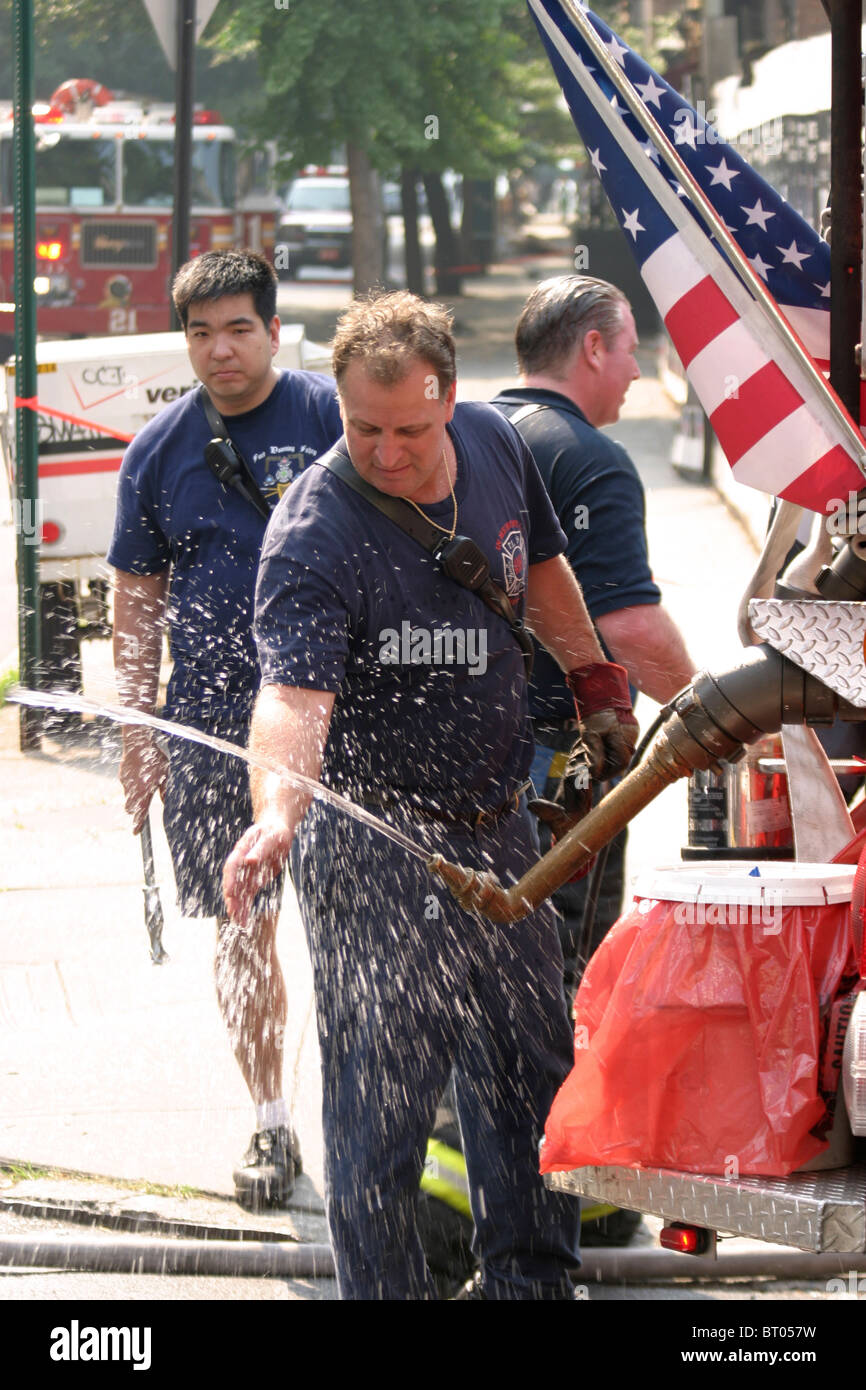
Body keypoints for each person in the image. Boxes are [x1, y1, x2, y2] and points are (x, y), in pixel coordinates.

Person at [223, 290, 640, 1300]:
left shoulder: (497, 444)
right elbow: (291, 699)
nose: (388, 450)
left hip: (498, 828)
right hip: (376, 844)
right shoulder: (314, 527)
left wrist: (590, 677)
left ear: (448, 397)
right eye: (364, 428)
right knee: (380, 1111)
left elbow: (538, 567)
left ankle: (531, 1286)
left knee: (528, 1077)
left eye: (410, 427)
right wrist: (275, 814)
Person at [107, 249, 342, 1209]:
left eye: (238, 328)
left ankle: (384, 1121)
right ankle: (270, 1124)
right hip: (208, 727)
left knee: (358, 929)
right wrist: (135, 731)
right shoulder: (158, 449)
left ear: (275, 330)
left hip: (335, 717)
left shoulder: (329, 414)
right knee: (243, 929)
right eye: (200, 332)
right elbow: (136, 598)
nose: (219, 350)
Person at [492, 275, 695, 992]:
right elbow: (631, 628)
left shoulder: (461, 437)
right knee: (561, 962)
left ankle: (468, 1107)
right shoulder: (591, 460)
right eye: (632, 350)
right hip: (562, 754)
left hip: (456, 744)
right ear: (592, 346)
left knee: (476, 957)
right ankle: (551, 1105)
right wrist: (716, 724)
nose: (640, 370)